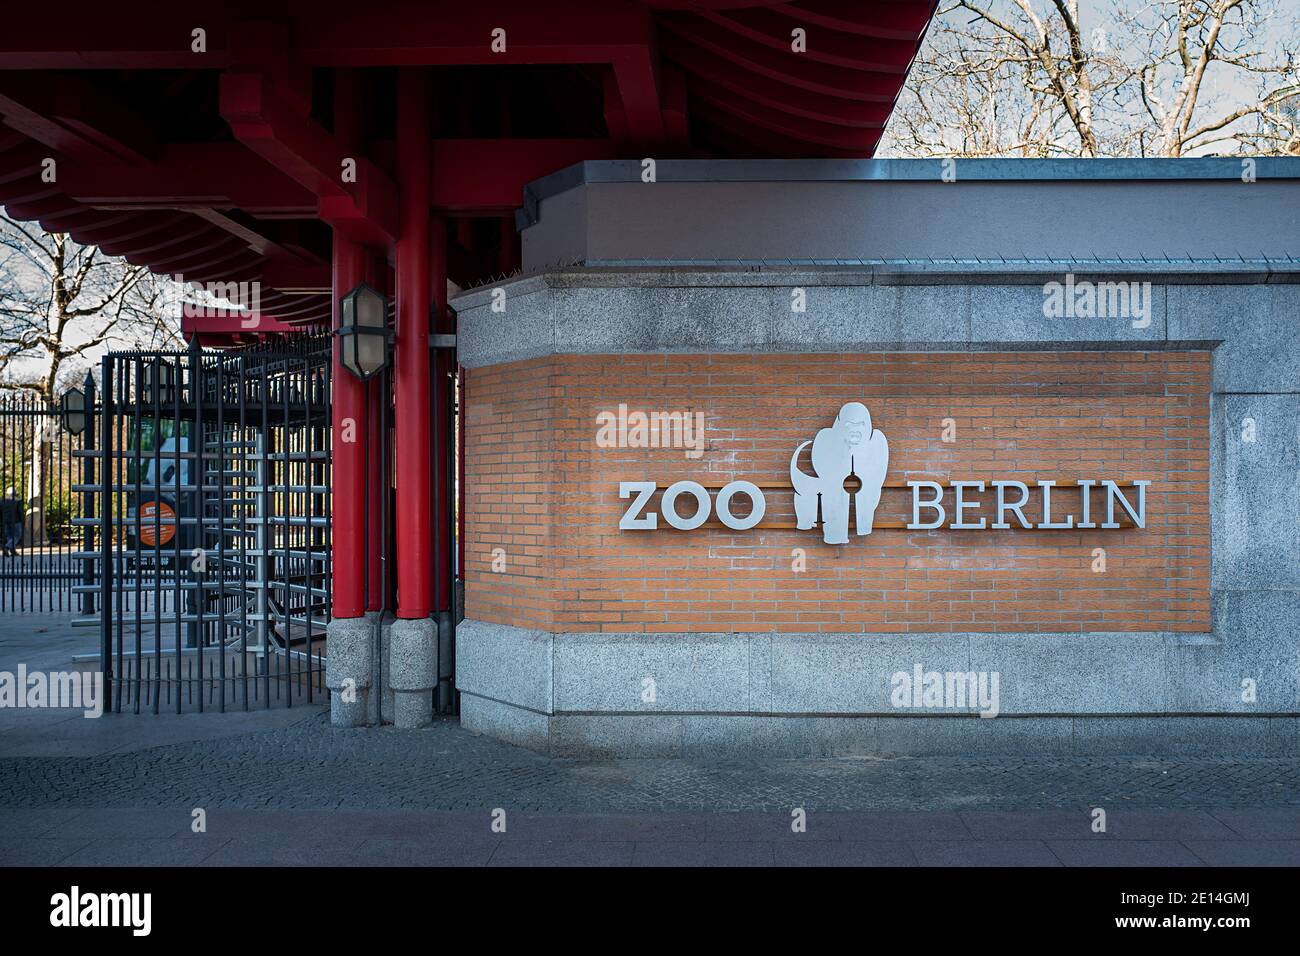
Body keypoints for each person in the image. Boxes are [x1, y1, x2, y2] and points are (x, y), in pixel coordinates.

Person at [0, 487, 22, 557]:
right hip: (16, 520)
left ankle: (12, 550)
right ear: (15, 492)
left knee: (9, 536)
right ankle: (7, 547)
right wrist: (23, 521)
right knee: (17, 535)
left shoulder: (2, 501)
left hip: (5, 520)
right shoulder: (18, 500)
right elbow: (20, 512)